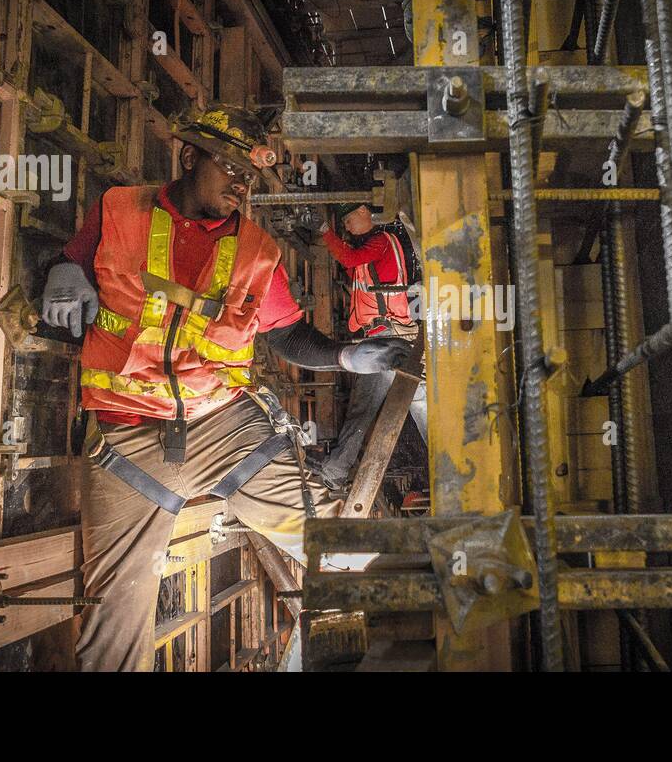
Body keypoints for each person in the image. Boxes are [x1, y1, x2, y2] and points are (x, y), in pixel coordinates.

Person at [38, 104, 412, 670]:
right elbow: (72, 263)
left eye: (249, 178)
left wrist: (346, 355)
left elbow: (287, 336)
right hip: (126, 438)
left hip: (225, 428)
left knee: (337, 541)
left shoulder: (259, 251)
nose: (241, 186)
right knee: (113, 624)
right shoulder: (118, 210)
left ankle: (443, 590)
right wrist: (61, 270)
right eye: (231, 170)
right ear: (189, 157)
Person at [310, 203, 426, 490]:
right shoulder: (380, 246)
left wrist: (324, 230)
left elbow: (348, 259)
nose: (347, 227)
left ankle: (336, 471)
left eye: (349, 219)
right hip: (401, 338)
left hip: (385, 339)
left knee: (364, 407)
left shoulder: (381, 241)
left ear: (364, 212)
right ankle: (450, 468)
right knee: (421, 406)